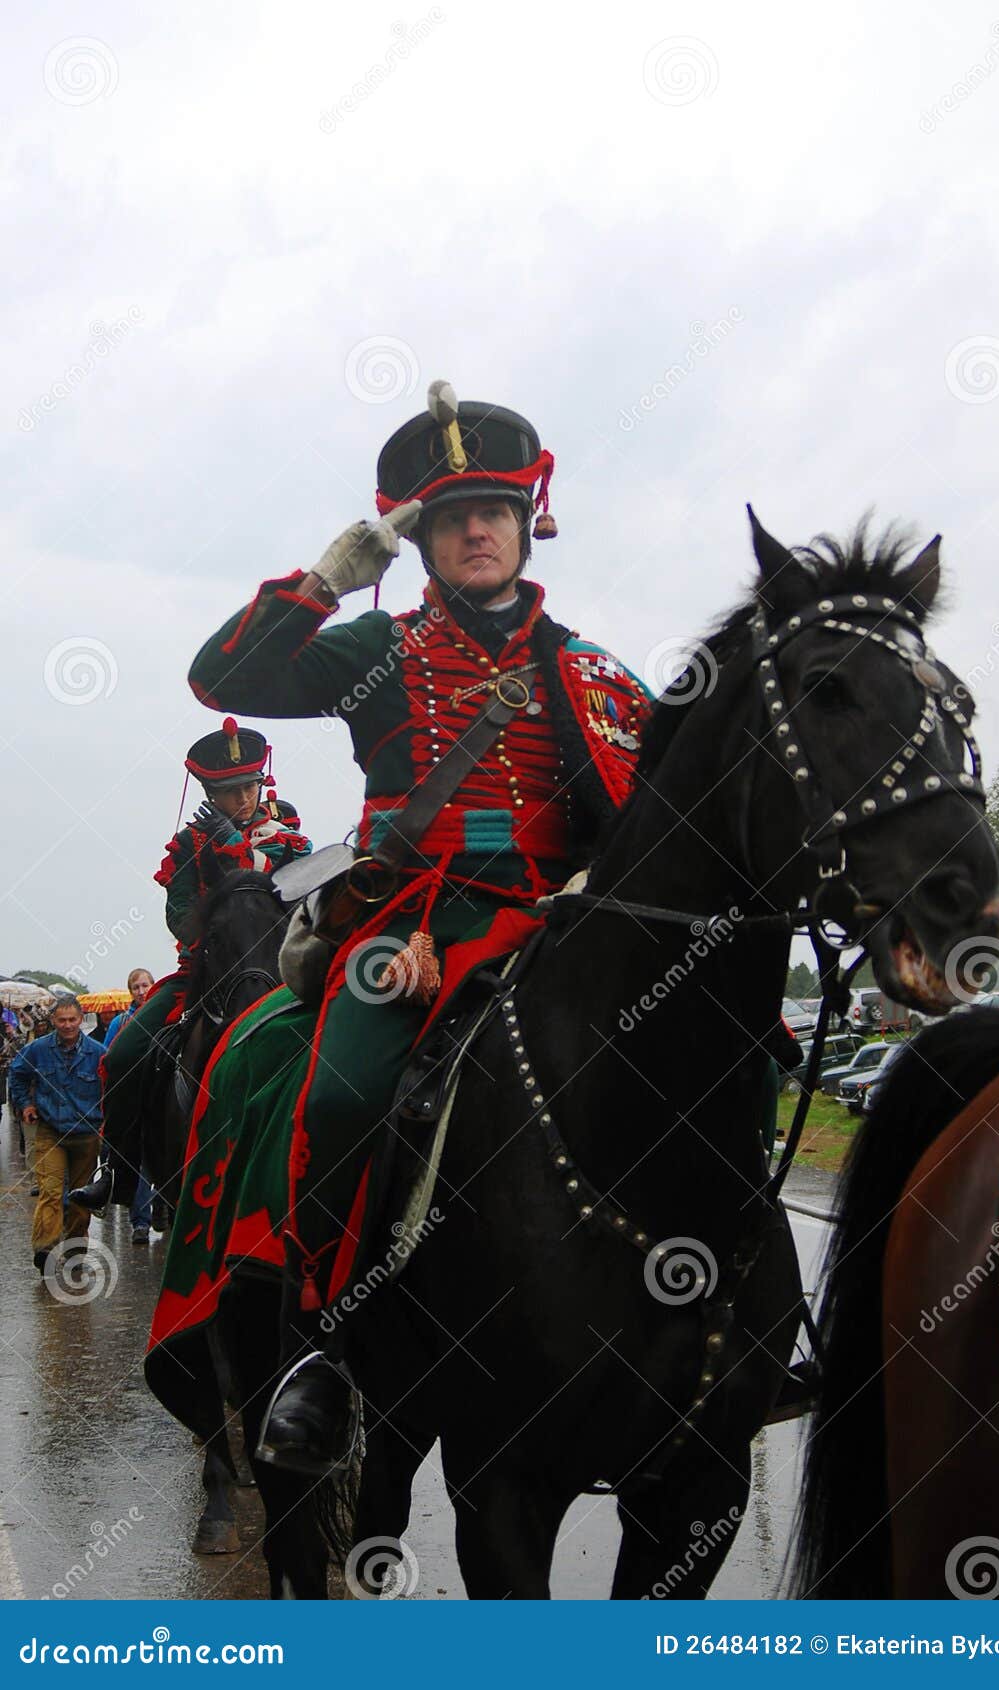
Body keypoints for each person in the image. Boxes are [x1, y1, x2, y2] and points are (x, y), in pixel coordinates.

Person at [178, 380, 652, 1470]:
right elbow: (224, 677)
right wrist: (330, 576)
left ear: (527, 525)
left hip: (557, 922)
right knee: (344, 1091)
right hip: (410, 918)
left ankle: (726, 1321)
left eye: (493, 511)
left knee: (715, 1054)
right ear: (421, 538)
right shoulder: (375, 649)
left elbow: (653, 813)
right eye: (448, 517)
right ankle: (329, 1350)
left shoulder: (590, 668)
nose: (475, 530)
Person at [100, 726, 312, 1204]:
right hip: (204, 971)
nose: (242, 797)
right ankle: (118, 1169)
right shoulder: (188, 844)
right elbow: (182, 922)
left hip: (281, 971)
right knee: (123, 1054)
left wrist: (237, 849)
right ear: (208, 793)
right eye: (228, 790)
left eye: (250, 785)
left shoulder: (287, 840)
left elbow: (298, 895)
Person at [8, 996, 105, 1273]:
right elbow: (17, 1074)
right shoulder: (38, 1050)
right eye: (61, 1020)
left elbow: (111, 1086)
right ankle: (46, 1249)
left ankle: (75, 1251)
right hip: (50, 1130)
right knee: (50, 1193)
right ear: (53, 1021)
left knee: (79, 1197)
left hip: (86, 1134)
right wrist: (25, 1104)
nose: (67, 1025)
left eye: (72, 1020)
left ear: (81, 1019)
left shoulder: (98, 1052)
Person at [103, 969, 157, 1243]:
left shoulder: (166, 1014)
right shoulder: (121, 1021)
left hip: (159, 1093)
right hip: (133, 1099)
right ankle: (140, 1222)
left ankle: (163, 1208)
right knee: (138, 1162)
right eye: (135, 986)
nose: (141, 990)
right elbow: (110, 1059)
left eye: (145, 985)